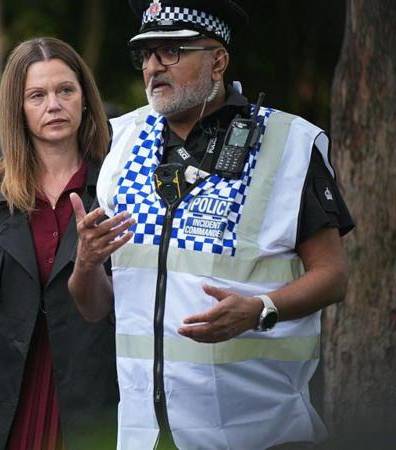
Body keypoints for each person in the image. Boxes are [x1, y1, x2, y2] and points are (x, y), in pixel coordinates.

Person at [68, 1, 355, 449]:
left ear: (218, 61)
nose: (153, 67)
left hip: (260, 432)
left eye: (171, 51)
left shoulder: (289, 143)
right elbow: (94, 309)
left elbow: (333, 277)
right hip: (145, 434)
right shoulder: (121, 141)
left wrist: (260, 308)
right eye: (145, 54)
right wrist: (85, 264)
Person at [0, 37, 118, 450]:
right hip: (5, 403)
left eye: (65, 90)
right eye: (37, 95)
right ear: (18, 108)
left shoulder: (119, 184)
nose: (54, 105)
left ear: (85, 98)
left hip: (96, 401)